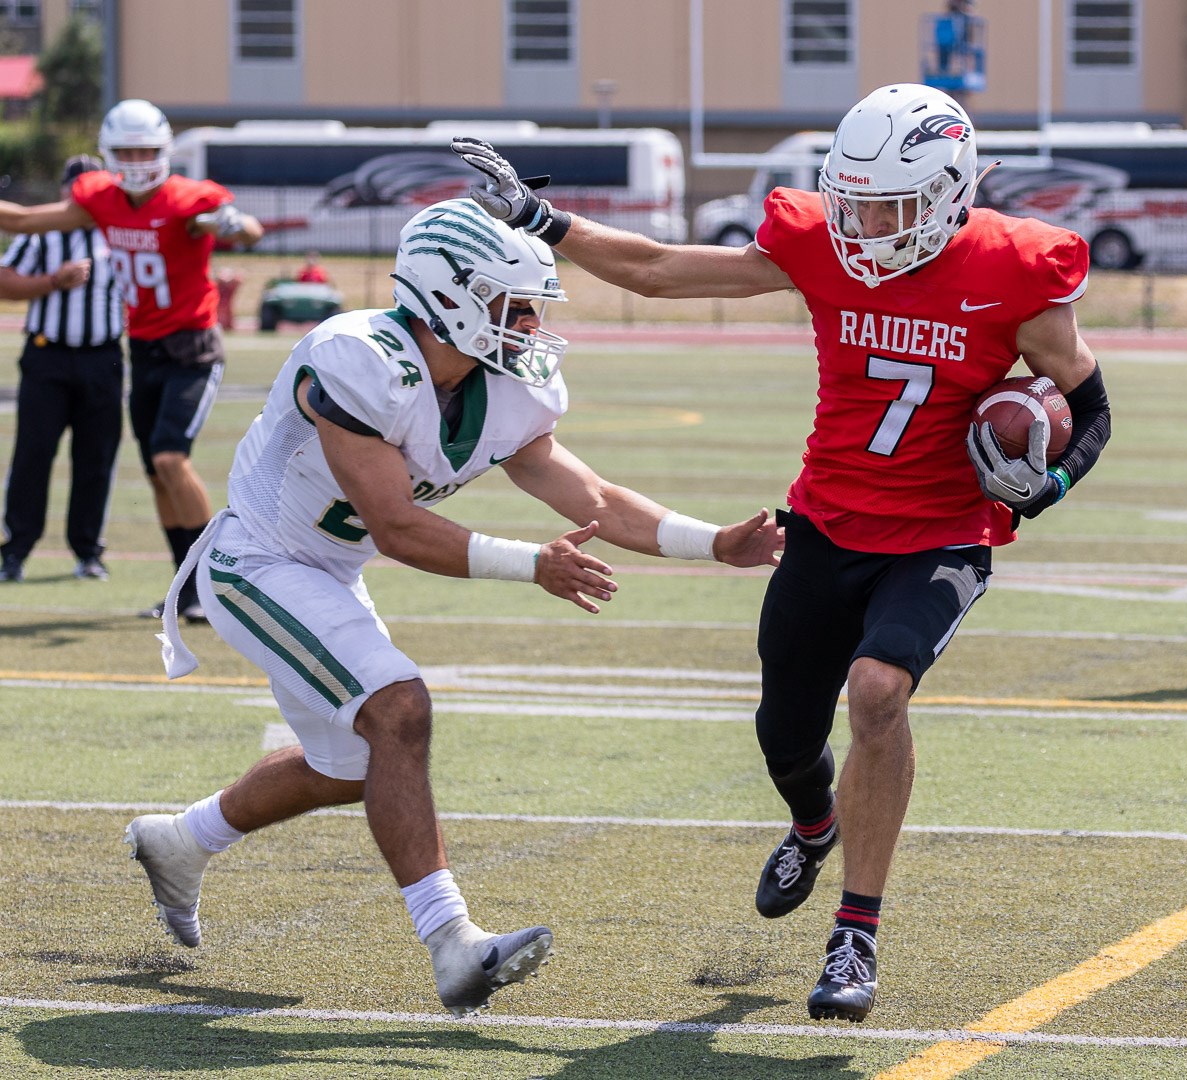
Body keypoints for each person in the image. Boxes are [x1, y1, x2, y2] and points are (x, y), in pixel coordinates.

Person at [454, 81, 1113, 1022]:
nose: (864, 224)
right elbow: (654, 269)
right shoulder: (819, 242)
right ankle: (813, 823)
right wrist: (537, 217)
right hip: (827, 523)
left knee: (879, 692)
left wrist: (1046, 487)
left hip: (940, 533)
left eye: (889, 205)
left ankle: (856, 934)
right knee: (784, 736)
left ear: (951, 193)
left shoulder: (1015, 269)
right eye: (852, 201)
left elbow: (1090, 405)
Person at [126, 199, 783, 1015]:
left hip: (327, 572)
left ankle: (181, 840)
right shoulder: (358, 359)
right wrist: (529, 564)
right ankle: (452, 943)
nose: (533, 323)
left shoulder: (505, 385)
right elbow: (398, 528)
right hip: (256, 562)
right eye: (515, 305)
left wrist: (713, 541)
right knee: (399, 709)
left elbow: (598, 498)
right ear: (452, 297)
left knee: (352, 769)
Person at [0, 98, 263, 622]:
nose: (138, 159)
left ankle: (219, 578)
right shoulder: (101, 199)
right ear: (108, 153)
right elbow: (28, 219)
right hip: (141, 350)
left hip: (191, 345)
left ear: (164, 150)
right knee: (156, 474)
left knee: (170, 458)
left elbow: (245, 230)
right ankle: (187, 590)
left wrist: (233, 224)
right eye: (126, 150)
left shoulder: (188, 199)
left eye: (146, 149)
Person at [0, 155, 126, 583]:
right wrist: (53, 282)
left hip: (103, 358)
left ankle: (89, 551)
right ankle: (15, 550)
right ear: (64, 193)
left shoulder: (121, 235)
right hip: (47, 357)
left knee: (96, 458)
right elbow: (4, 280)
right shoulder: (42, 236)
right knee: (33, 455)